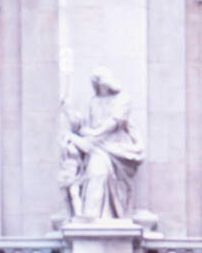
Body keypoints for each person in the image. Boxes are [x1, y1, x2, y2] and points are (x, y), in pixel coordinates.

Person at [61, 69, 144, 220]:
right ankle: (91, 215)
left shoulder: (123, 99)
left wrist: (94, 134)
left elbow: (115, 122)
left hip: (116, 146)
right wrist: (68, 111)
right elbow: (85, 124)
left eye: (100, 82)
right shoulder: (94, 101)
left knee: (103, 175)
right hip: (96, 147)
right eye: (96, 83)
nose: (99, 86)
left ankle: (107, 216)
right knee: (96, 173)